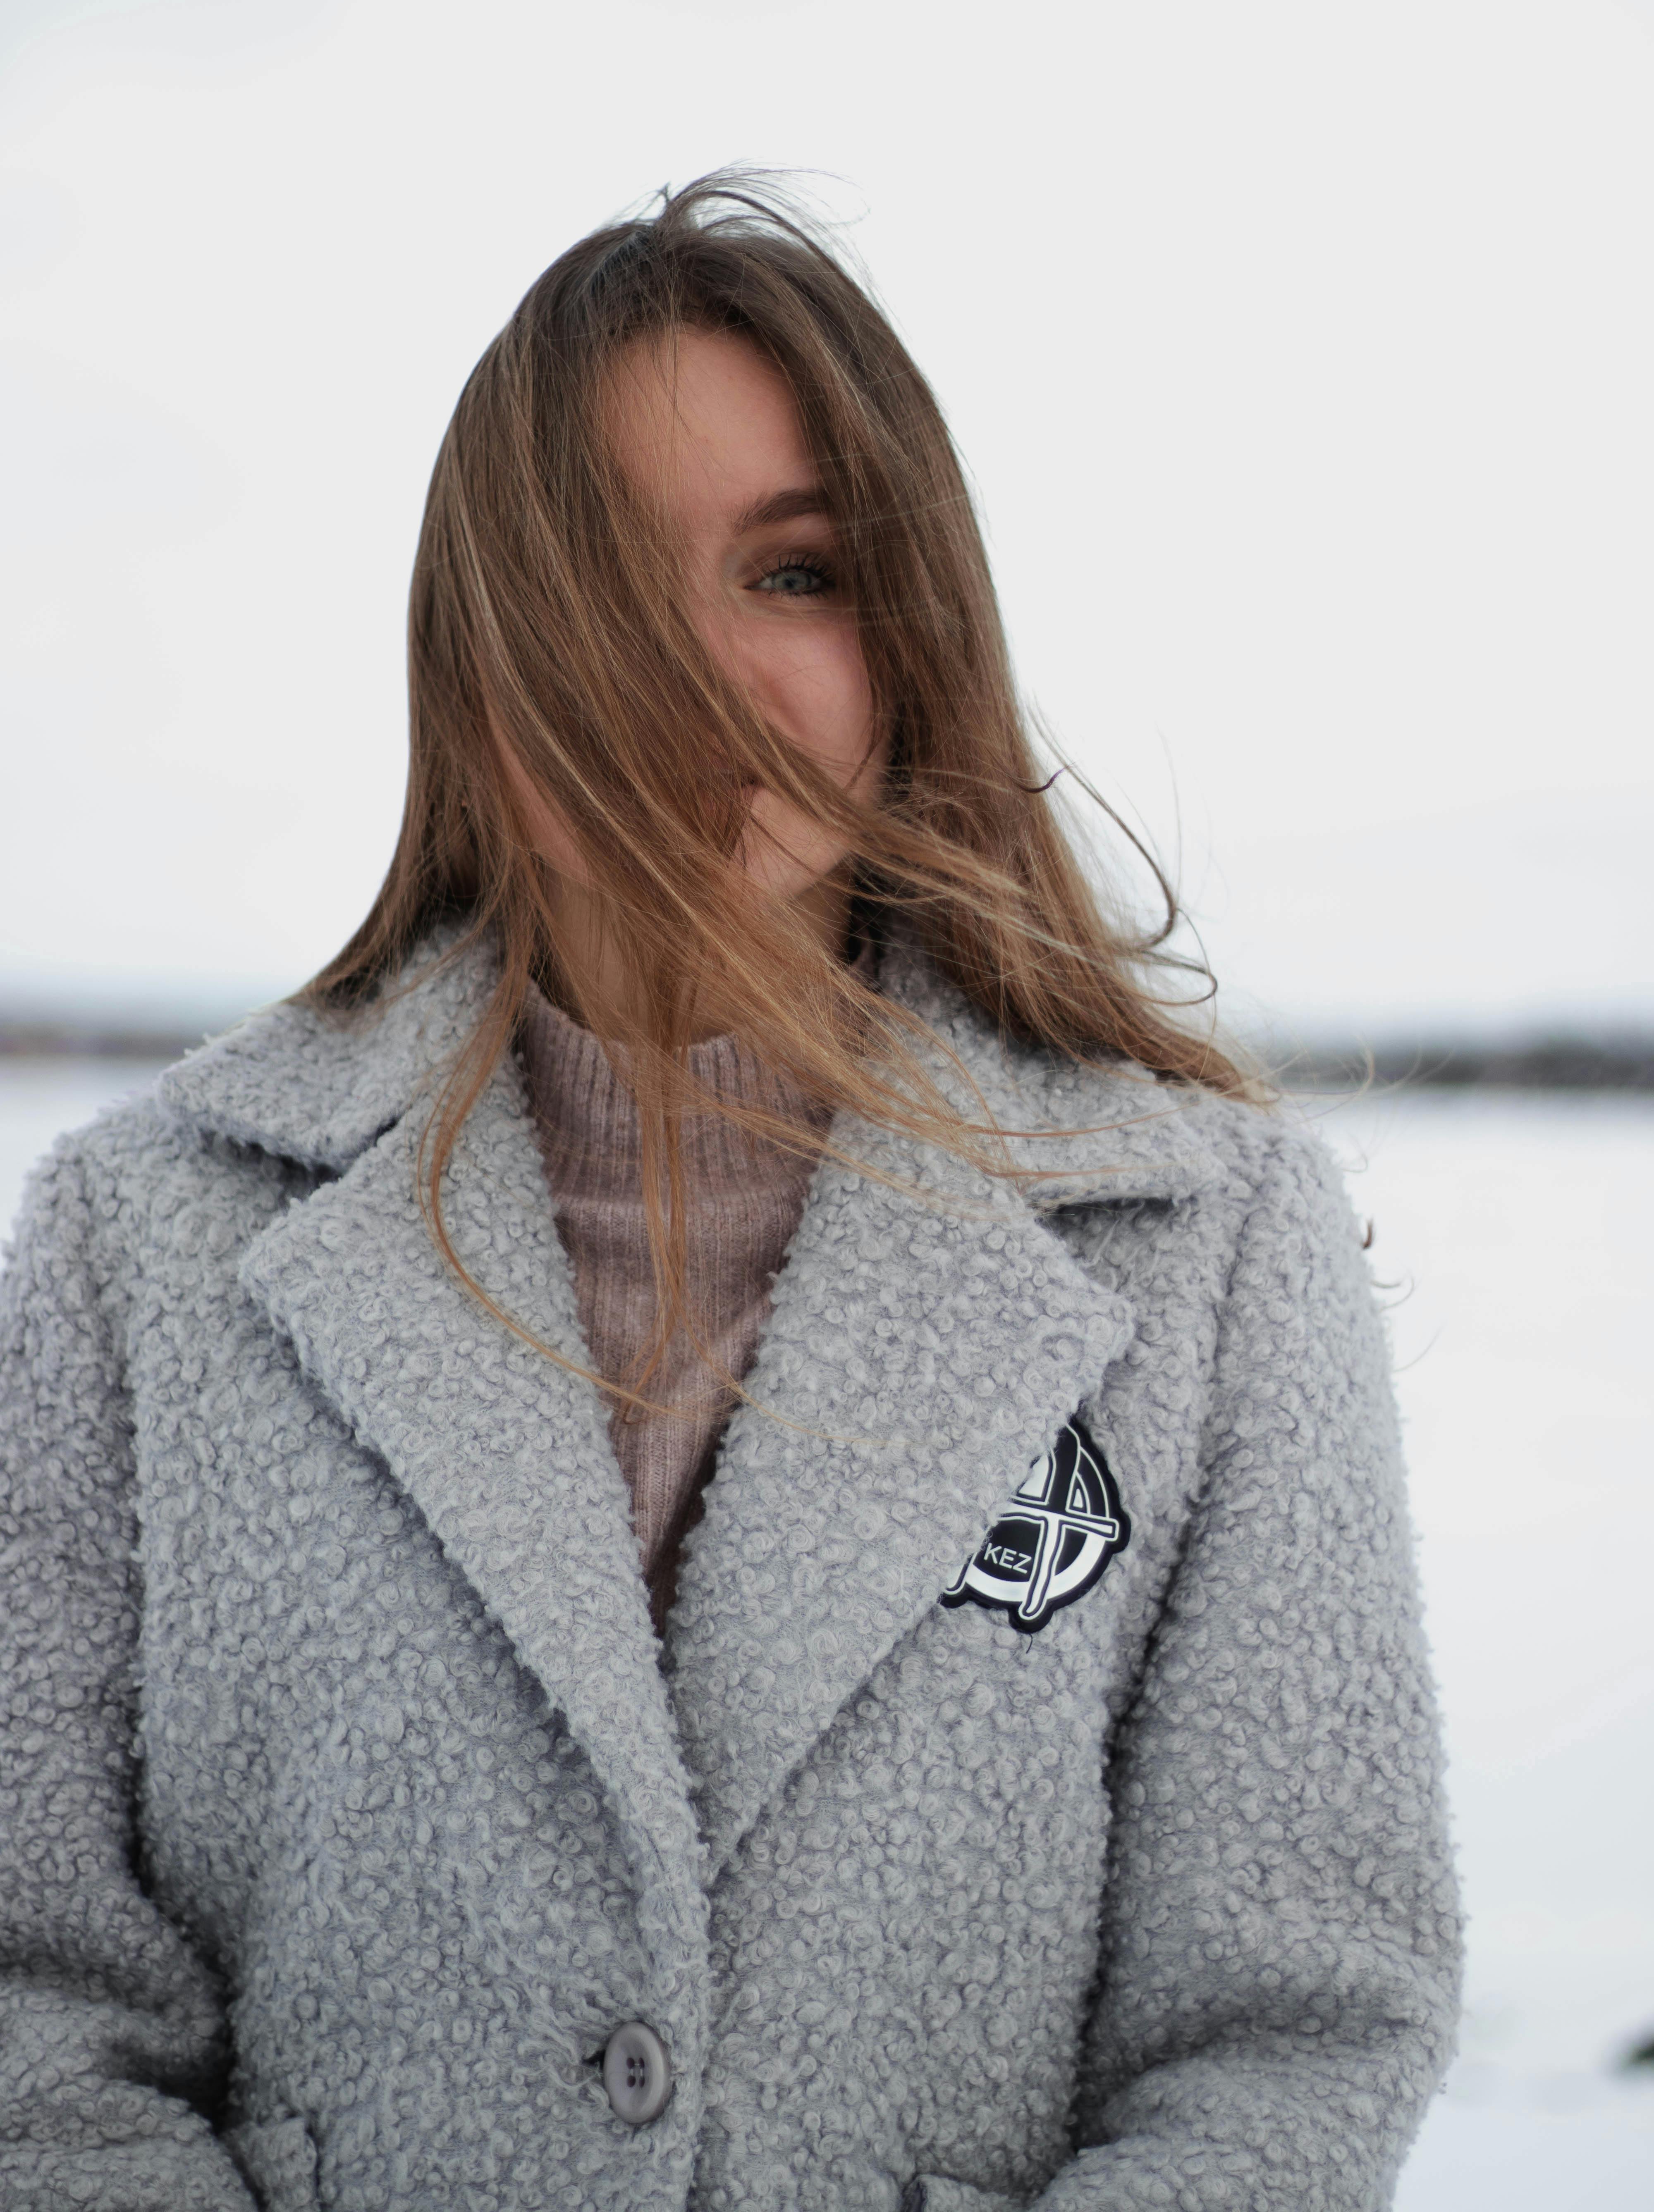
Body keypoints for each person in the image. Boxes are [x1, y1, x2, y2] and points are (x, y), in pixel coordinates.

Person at [0, 176, 1460, 2212]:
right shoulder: (141, 1245)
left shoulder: (1208, 1246)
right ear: (474, 661)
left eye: (793, 574)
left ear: (912, 639)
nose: (695, 677)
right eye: (604, 582)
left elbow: (1285, 2042)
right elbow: (37, 2023)